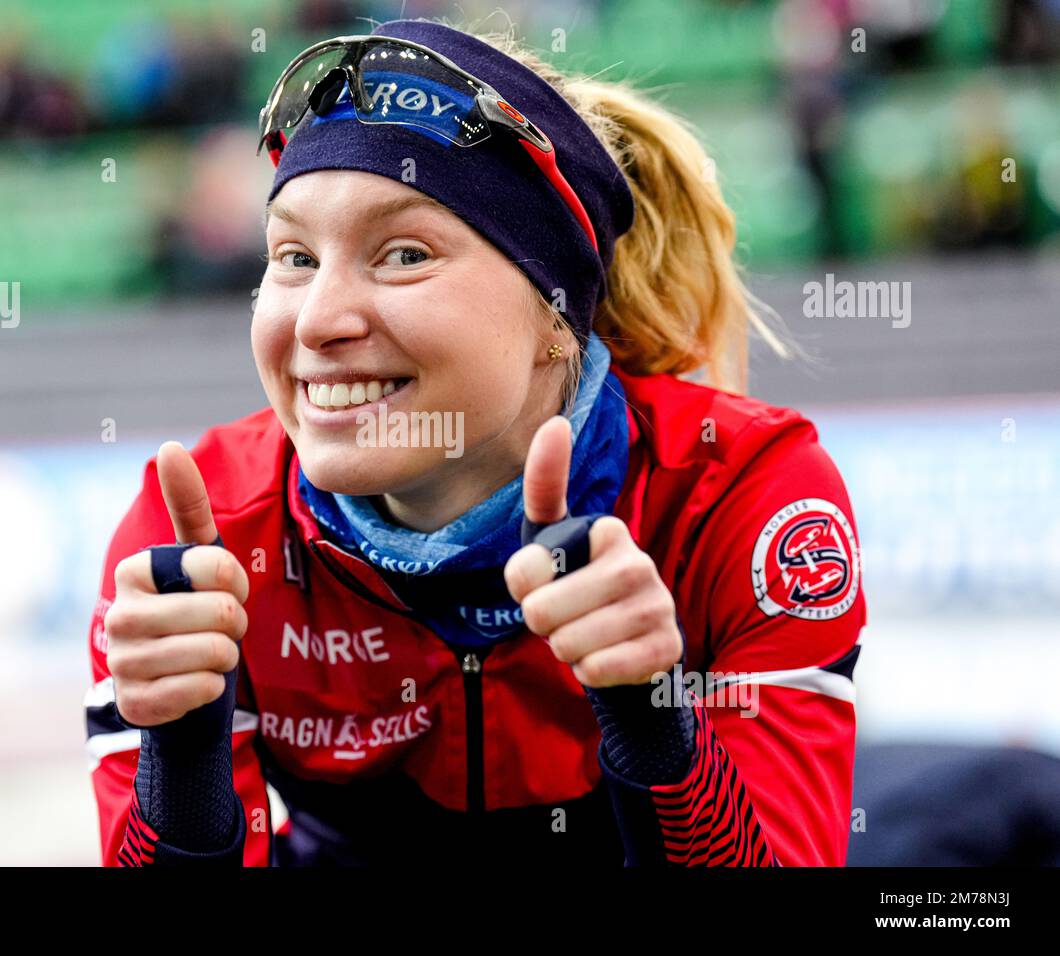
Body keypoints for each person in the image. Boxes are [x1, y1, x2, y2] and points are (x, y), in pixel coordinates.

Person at [84, 18, 866, 867]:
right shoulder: (203, 538)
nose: (317, 321)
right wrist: (183, 772)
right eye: (295, 258)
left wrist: (652, 720)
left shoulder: (734, 490)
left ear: (556, 320)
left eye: (403, 254)